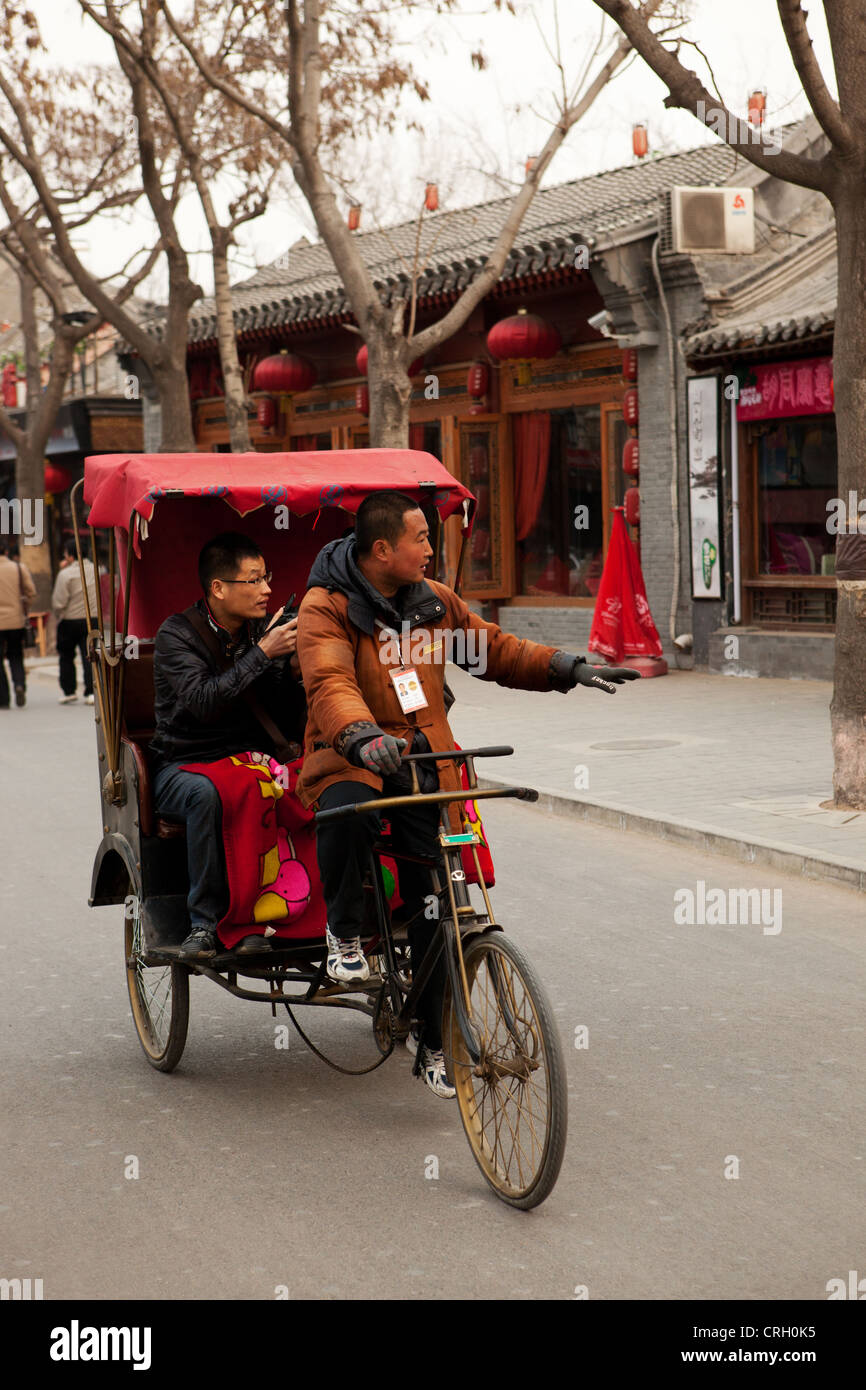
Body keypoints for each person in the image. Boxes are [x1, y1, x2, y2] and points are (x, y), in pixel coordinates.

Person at [296, 490, 640, 1099]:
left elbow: (496, 651)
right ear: (382, 549)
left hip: (427, 762)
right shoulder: (328, 606)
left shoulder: (432, 605)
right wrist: (359, 734)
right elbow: (328, 680)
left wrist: (568, 668)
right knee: (346, 812)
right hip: (354, 755)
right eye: (421, 539)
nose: (432, 550)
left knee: (437, 903)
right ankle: (343, 934)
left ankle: (434, 1040)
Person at [148, 531, 305, 958]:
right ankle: (204, 921)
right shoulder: (175, 635)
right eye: (254, 580)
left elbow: (282, 713)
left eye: (267, 578)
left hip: (251, 759)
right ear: (218, 588)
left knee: (311, 779)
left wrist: (288, 667)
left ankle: (297, 912)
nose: (267, 589)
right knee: (210, 794)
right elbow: (203, 702)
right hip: (184, 766)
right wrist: (262, 653)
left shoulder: (260, 629)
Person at [51, 538, 99, 705]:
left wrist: (59, 614)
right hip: (92, 619)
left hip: (70, 621)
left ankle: (69, 691)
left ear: (70, 556)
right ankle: (91, 691)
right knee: (90, 655)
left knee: (66, 656)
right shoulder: (97, 570)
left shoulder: (65, 575)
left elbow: (59, 602)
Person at [0, 537, 36, 709]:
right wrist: (23, 609)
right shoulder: (19, 568)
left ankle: (3, 698)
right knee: (16, 655)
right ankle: (19, 685)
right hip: (16, 621)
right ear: (6, 551)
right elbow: (30, 592)